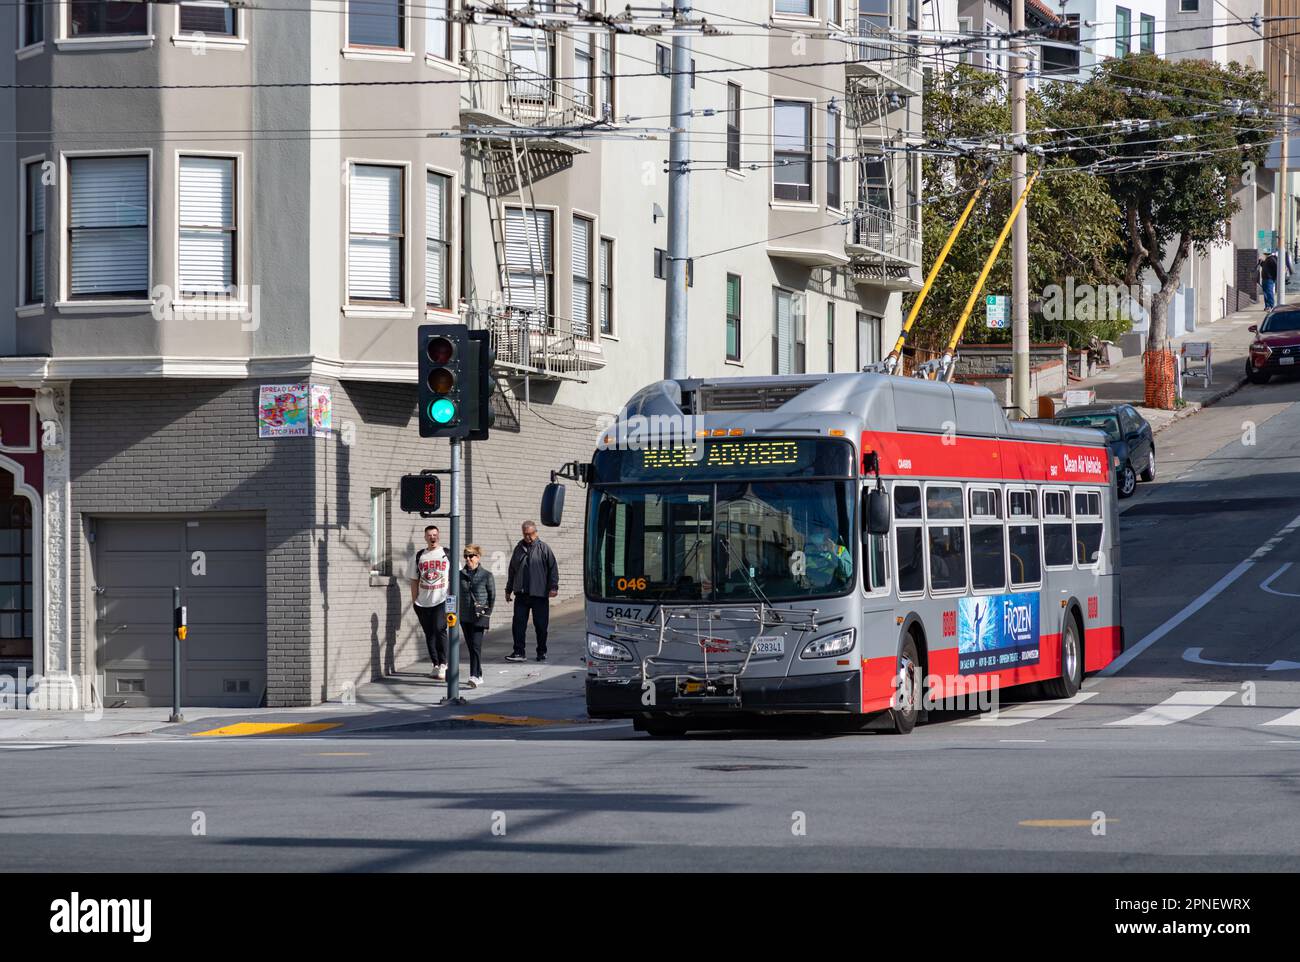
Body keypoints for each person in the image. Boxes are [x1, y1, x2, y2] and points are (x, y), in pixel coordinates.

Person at [505, 521, 559, 663]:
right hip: (521, 594)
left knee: (541, 626)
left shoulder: (544, 548)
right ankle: (518, 652)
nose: (528, 537)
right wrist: (508, 589)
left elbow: (553, 569)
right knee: (518, 624)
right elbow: (512, 570)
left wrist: (554, 587)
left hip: (539, 594)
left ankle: (541, 651)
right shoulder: (518, 549)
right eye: (525, 534)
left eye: (530, 534)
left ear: (536, 532)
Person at [408, 525, 450, 680]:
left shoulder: (447, 554)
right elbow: (414, 580)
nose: (433, 537)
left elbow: (456, 577)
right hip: (423, 602)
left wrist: (453, 598)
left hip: (441, 599)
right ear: (425, 537)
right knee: (429, 634)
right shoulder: (419, 556)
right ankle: (436, 664)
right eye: (430, 535)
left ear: (438, 536)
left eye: (435, 535)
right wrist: (414, 601)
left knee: (440, 629)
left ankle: (444, 663)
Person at [459, 543, 495, 688]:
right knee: (470, 646)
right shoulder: (460, 575)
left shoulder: (486, 575)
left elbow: (492, 596)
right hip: (465, 616)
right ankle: (478, 674)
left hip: (480, 616)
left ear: (478, 557)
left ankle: (474, 675)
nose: (468, 559)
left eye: (471, 556)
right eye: (466, 556)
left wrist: (487, 614)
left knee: (475, 645)